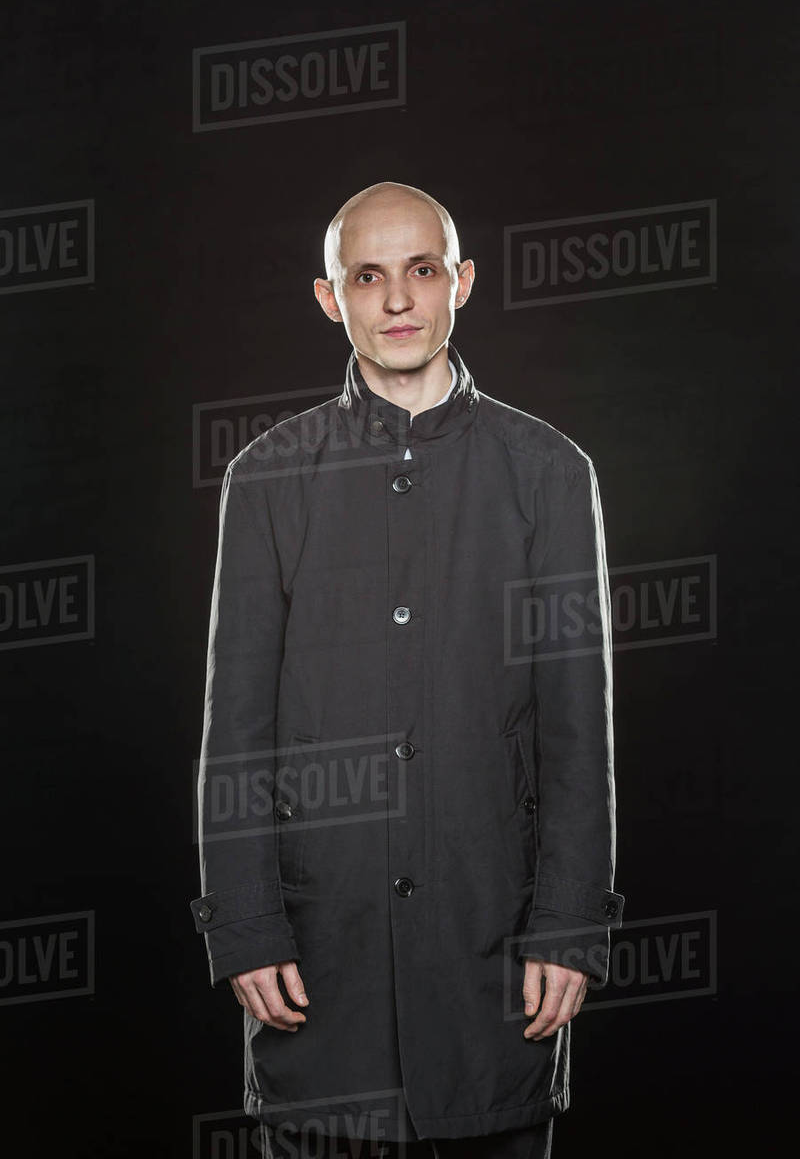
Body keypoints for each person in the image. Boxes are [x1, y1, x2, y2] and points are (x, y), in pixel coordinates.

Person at [190, 182, 624, 1159]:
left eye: (420, 271)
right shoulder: (265, 476)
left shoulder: (549, 472)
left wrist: (567, 926)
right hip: (320, 953)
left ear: (460, 282)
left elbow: (573, 726)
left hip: (491, 950)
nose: (396, 300)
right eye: (368, 276)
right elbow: (236, 730)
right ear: (328, 297)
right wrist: (246, 928)